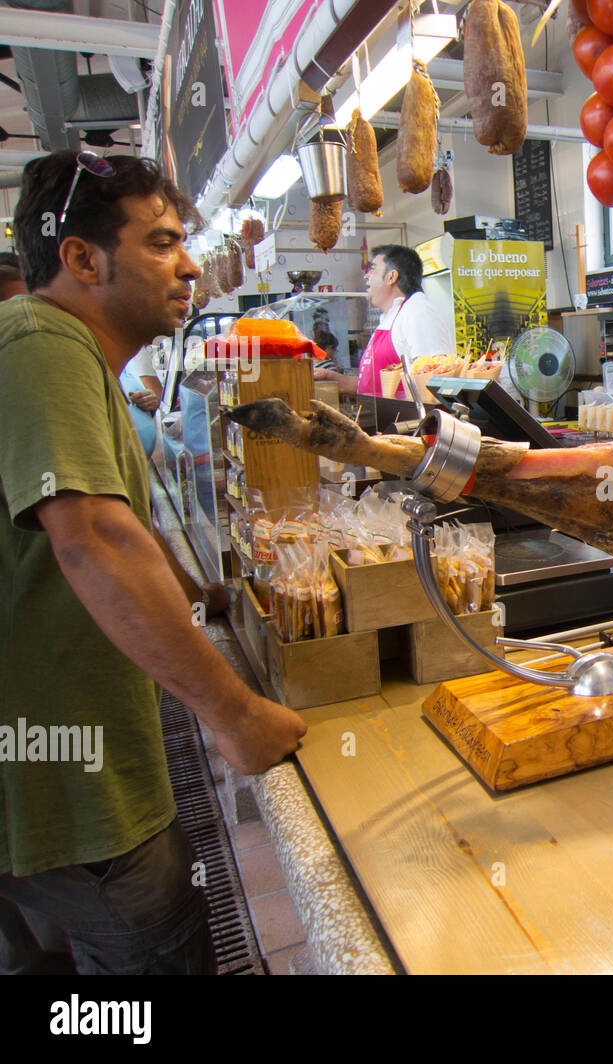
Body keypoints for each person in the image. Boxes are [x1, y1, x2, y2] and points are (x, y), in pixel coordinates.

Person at [0, 150, 306, 974]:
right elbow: (89, 537)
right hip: (69, 794)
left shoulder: (70, 358)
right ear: (80, 258)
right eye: (162, 242)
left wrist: (198, 595)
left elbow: (118, 520)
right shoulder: (39, 339)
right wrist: (235, 716)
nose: (190, 265)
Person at [313, 244, 455, 398]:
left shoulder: (418, 312)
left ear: (391, 277)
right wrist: (331, 378)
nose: (366, 276)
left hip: (407, 420)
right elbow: (374, 388)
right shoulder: (391, 317)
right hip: (383, 418)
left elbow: (432, 384)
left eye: (373, 269)